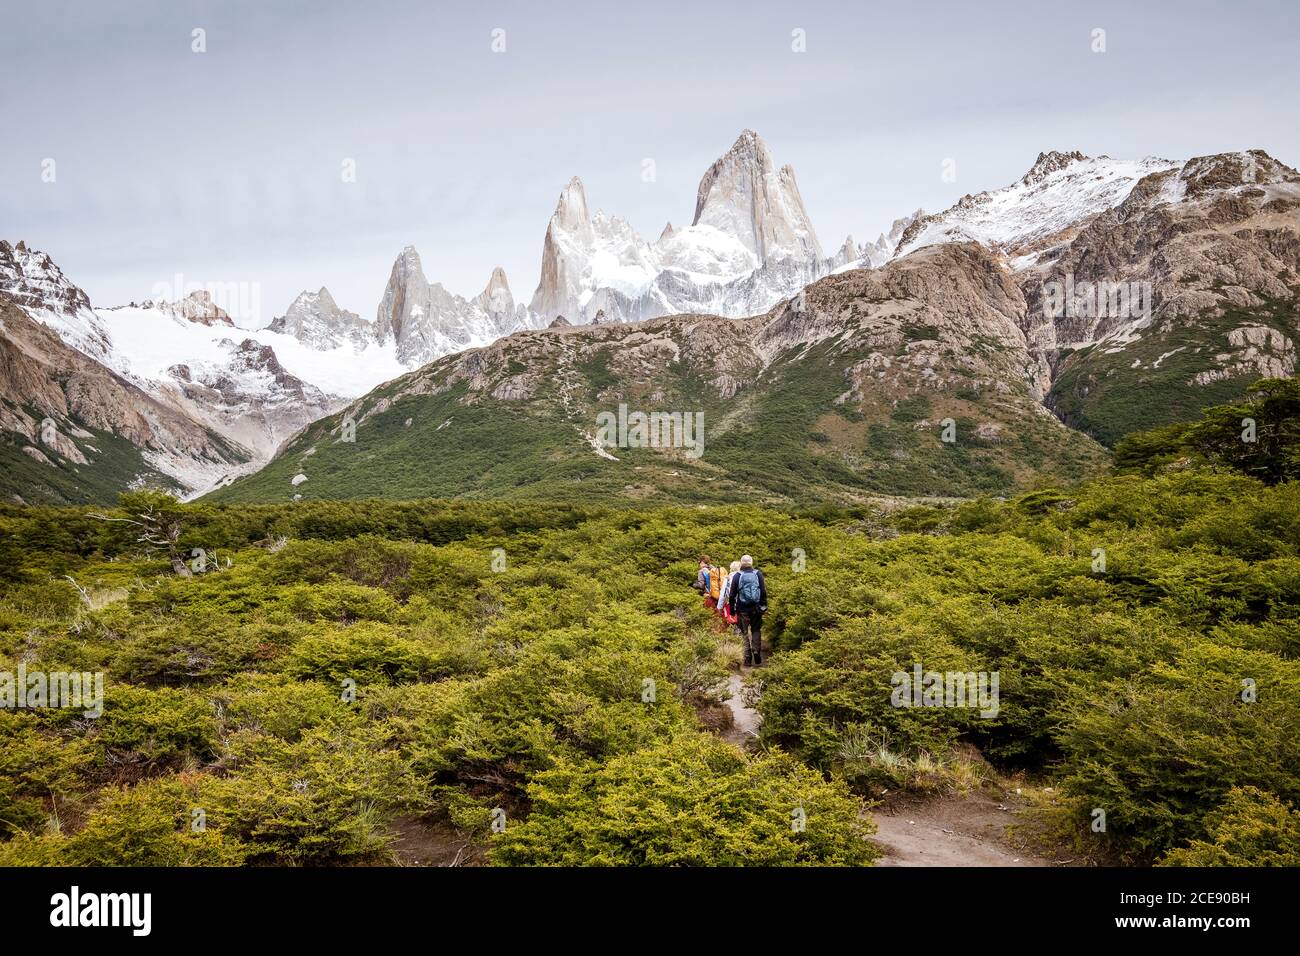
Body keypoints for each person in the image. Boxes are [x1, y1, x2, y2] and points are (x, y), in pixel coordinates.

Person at [727, 554, 767, 666]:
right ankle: (756, 651)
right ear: (751, 562)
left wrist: (732, 610)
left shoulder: (737, 575)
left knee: (743, 633)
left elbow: (732, 595)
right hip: (756, 608)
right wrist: (763, 605)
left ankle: (747, 658)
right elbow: (763, 591)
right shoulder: (758, 574)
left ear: (741, 563)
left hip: (742, 609)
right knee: (756, 630)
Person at [717, 560, 742, 625]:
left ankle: (734, 632)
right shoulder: (744, 577)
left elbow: (723, 593)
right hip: (743, 604)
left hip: (731, 603)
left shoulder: (728, 578)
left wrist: (719, 607)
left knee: (732, 620)